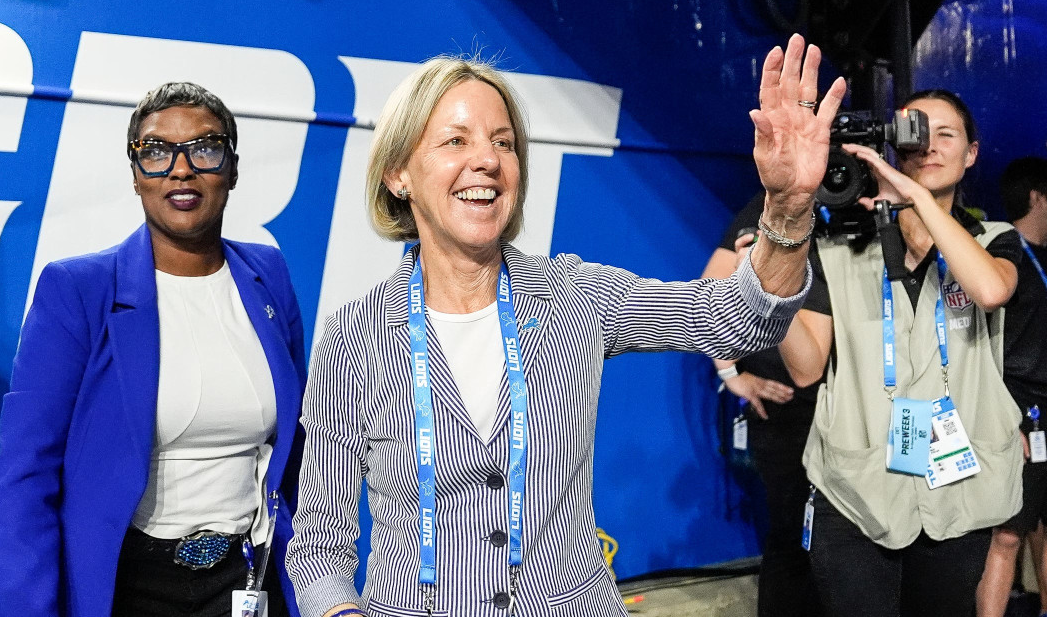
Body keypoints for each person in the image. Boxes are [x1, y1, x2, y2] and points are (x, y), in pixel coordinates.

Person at [286, 34, 845, 617]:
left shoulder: (575, 296)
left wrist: (786, 207)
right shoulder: (353, 337)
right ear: (399, 173)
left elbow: (737, 320)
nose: (487, 160)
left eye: (504, 143)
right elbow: (319, 551)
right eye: (456, 140)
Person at [0, 82, 306, 617]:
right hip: (129, 586)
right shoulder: (78, 289)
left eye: (204, 149)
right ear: (136, 176)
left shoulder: (267, 273)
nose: (181, 169)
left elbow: (295, 446)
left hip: (249, 577)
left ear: (232, 167)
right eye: (157, 152)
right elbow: (26, 472)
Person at [792, 90, 1025, 617]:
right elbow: (805, 370)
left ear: (972, 154)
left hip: (957, 492)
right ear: (894, 146)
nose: (930, 145)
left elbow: (989, 291)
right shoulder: (837, 247)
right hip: (854, 492)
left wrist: (914, 198)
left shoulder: (996, 240)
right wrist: (773, 283)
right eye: (915, 132)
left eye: (947, 134)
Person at [701, 191, 830, 617]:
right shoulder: (757, 211)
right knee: (789, 539)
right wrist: (731, 374)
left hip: (848, 407)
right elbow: (707, 294)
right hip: (782, 410)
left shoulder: (852, 215)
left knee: (839, 547)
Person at [976, 156, 1047, 617]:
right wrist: (1002, 416)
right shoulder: (1005, 250)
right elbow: (980, 344)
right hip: (1016, 404)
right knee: (1007, 532)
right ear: (1039, 197)